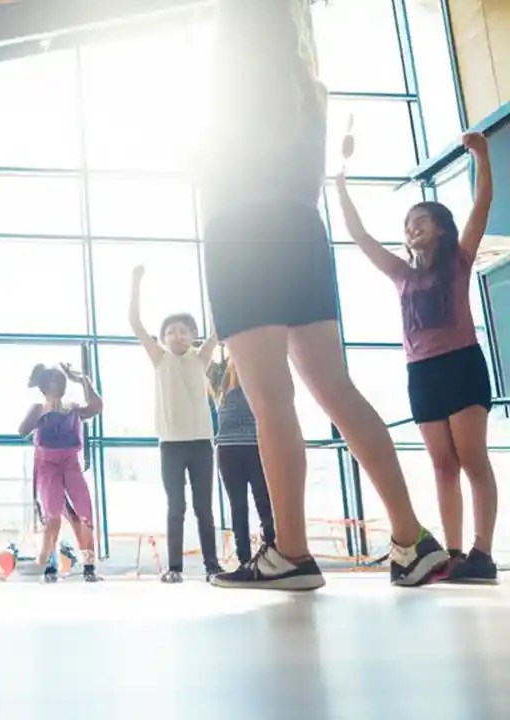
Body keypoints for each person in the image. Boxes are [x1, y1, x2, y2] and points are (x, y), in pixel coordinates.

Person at [201, 0, 446, 590]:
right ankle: (412, 540)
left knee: (270, 398)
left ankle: (290, 552)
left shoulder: (226, 86)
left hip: (241, 230)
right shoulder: (311, 89)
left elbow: (209, 169)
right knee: (335, 387)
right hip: (302, 230)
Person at [336, 130, 497, 584]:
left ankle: (481, 553)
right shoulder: (402, 275)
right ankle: (451, 552)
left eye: (421, 219)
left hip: (461, 364)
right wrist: (341, 181)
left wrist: (481, 156)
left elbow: (482, 202)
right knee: (442, 465)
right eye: (408, 223)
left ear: (441, 227)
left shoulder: (459, 260)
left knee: (472, 459)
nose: (411, 228)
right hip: (421, 374)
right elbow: (359, 235)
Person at [128, 267, 222, 583]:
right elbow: (135, 324)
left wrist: (213, 287)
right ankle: (175, 568)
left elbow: (217, 328)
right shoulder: (160, 358)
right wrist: (136, 282)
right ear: (164, 337)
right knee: (175, 508)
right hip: (170, 444)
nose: (178, 335)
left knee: (204, 509)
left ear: (192, 335)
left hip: (200, 443)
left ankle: (212, 566)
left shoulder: (200, 357)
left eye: (184, 330)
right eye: (171, 331)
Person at [18, 362, 103, 583]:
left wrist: (84, 381)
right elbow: (22, 431)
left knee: (84, 511)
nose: (60, 387)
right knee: (52, 514)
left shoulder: (73, 408)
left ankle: (89, 565)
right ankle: (48, 564)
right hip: (47, 466)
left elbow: (96, 407)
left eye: (62, 382)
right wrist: (43, 413)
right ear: (45, 387)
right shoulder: (38, 409)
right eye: (55, 383)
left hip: (70, 464)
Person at [209, 353, 276, 567]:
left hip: (255, 449)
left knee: (263, 500)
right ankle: (244, 558)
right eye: (235, 362)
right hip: (228, 451)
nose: (239, 366)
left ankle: (272, 549)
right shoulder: (220, 387)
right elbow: (202, 359)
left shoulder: (257, 387)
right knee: (238, 505)